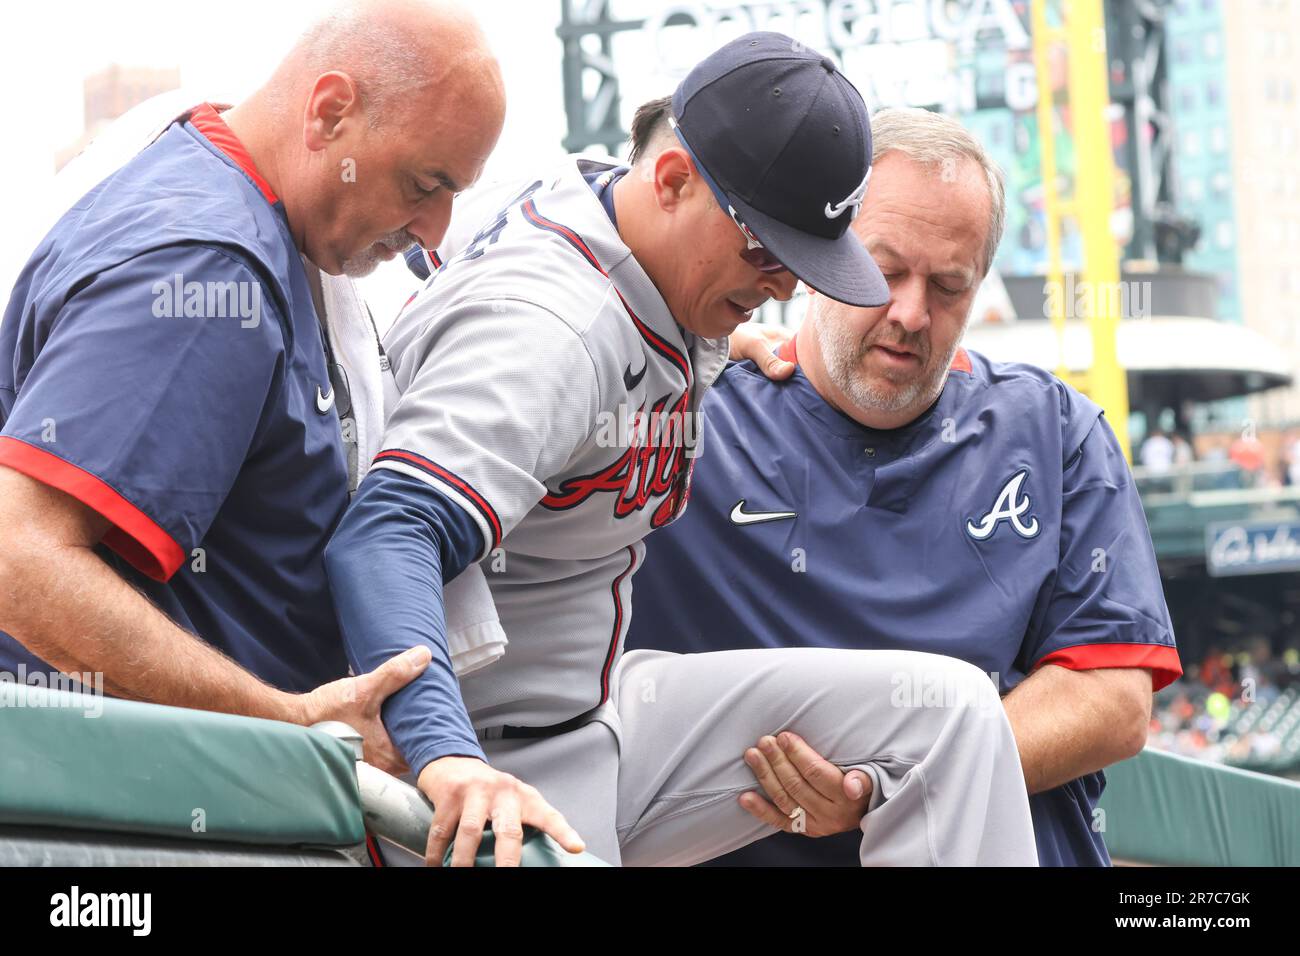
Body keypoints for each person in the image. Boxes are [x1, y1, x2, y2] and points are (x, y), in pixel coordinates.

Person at [326, 32, 1040, 868]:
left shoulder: (638, 231)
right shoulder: (552, 331)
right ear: (671, 182)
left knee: (949, 713)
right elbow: (388, 533)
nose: (782, 285)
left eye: (804, 262)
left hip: (597, 716)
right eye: (769, 253)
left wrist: (703, 348)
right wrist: (446, 758)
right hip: (480, 758)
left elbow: (633, 293)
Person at [625, 107, 1182, 867]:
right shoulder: (686, 419)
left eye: (948, 286)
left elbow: (1114, 699)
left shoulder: (1053, 431)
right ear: (818, 255)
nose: (911, 313)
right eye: (883, 272)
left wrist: (894, 778)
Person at [0, 0, 505, 774]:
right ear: (330, 113)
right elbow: (18, 559)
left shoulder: (262, 213)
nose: (434, 228)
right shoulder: (208, 267)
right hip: (133, 806)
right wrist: (286, 721)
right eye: (423, 184)